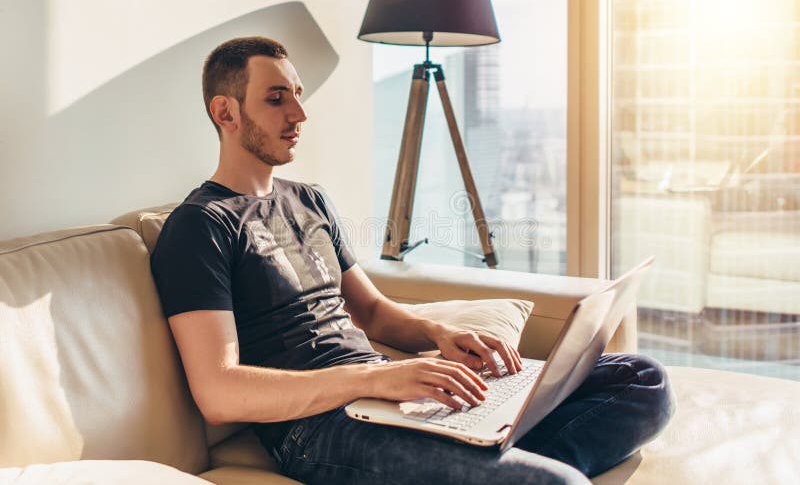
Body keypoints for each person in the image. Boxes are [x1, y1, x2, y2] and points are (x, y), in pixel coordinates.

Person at [150, 36, 675, 485]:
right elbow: (219, 393)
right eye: (276, 98)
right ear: (226, 112)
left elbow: (373, 313)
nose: (300, 114)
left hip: (383, 394)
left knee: (642, 379)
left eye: (298, 94)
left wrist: (441, 336)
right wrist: (373, 380)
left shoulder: (309, 200)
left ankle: (499, 461)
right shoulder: (200, 226)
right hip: (318, 429)